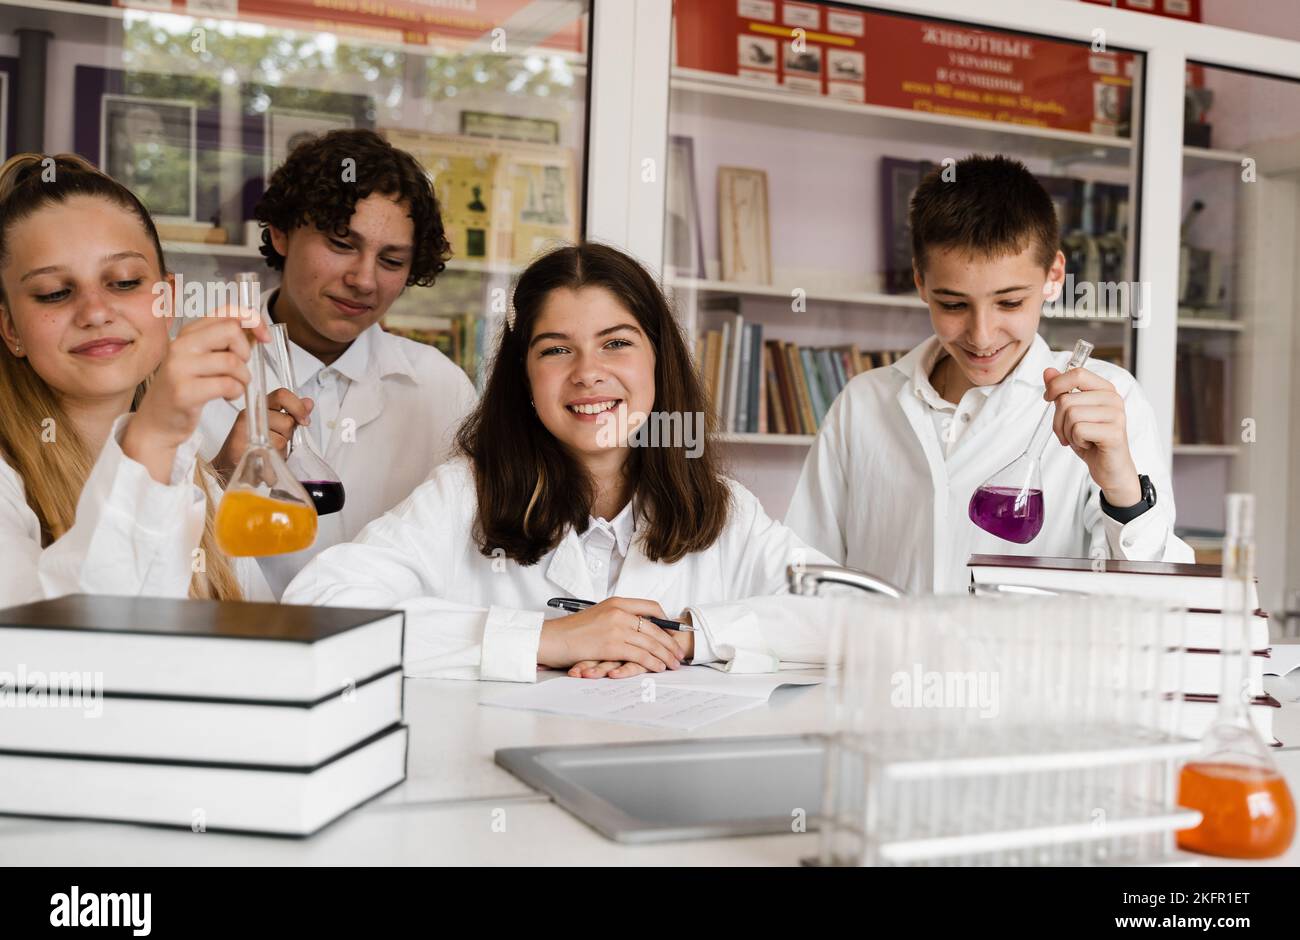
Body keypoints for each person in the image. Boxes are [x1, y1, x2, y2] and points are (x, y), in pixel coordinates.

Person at [283, 242, 832, 681]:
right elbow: (318, 612)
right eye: (556, 348)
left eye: (616, 343)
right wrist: (547, 639)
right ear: (524, 376)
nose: (588, 372)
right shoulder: (463, 496)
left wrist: (687, 637)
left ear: (659, 360)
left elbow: (851, 615)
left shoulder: (724, 509)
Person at [786, 154, 1193, 595]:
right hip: (880, 663)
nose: (981, 336)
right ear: (921, 282)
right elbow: (803, 577)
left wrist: (1121, 485)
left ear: (1054, 276)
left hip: (1031, 665)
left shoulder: (1110, 401)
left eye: (1011, 303)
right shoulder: (864, 403)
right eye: (953, 304)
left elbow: (1153, 599)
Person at [198, 129, 477, 597]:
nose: (364, 280)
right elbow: (150, 560)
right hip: (236, 648)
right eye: (342, 244)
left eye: (390, 260)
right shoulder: (198, 375)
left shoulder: (440, 388)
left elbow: (465, 563)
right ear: (282, 233)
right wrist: (224, 475)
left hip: (391, 654)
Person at [0, 153, 271, 607]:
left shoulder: (199, 482)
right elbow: (51, 658)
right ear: (10, 329)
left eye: (124, 282)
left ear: (167, 298)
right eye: (54, 293)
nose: (95, 312)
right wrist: (153, 437)